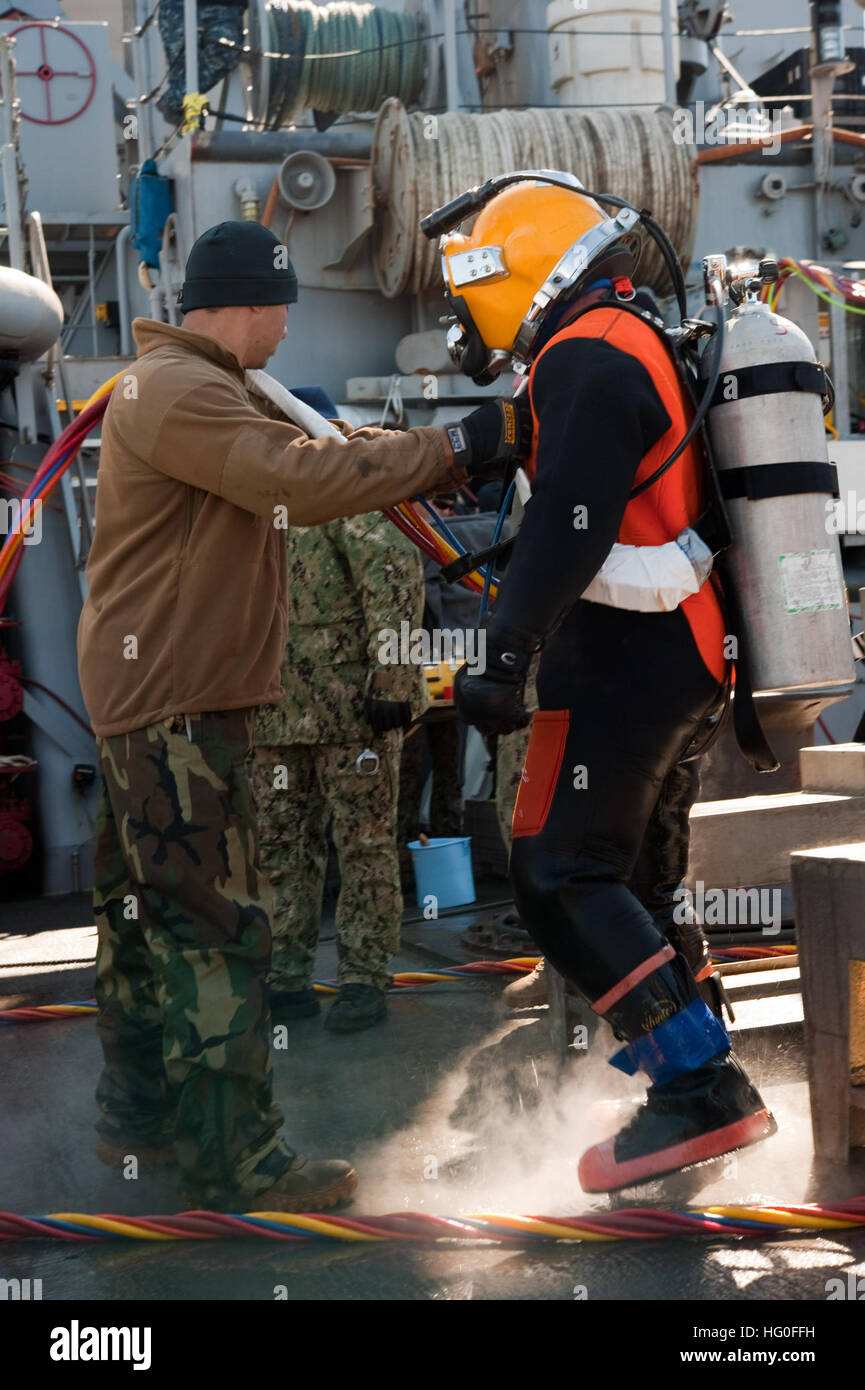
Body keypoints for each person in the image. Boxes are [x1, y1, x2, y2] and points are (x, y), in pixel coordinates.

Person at [78, 219, 531, 1212]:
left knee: (143, 921)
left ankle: (144, 1121)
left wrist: (443, 454)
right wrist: (458, 443)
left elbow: (324, 446)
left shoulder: (200, 387)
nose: (287, 332)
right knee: (219, 929)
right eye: (282, 312)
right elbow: (297, 478)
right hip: (177, 714)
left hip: (154, 705)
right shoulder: (184, 391)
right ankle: (236, 1162)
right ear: (247, 305)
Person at [448, 177, 775, 1192]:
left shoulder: (584, 352)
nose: (464, 313)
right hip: (680, 649)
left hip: (628, 654)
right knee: (636, 879)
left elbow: (573, 524)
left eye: (470, 289)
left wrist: (502, 656)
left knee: (556, 872)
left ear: (518, 275)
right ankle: (698, 1069)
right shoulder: (618, 338)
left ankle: (699, 1089)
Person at [253, 500, 428, 1033]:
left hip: (351, 708)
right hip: (273, 709)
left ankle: (363, 977)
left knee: (366, 846)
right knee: (280, 847)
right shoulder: (244, 482)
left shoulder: (336, 476)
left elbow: (392, 568)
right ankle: (285, 977)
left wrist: (394, 677)